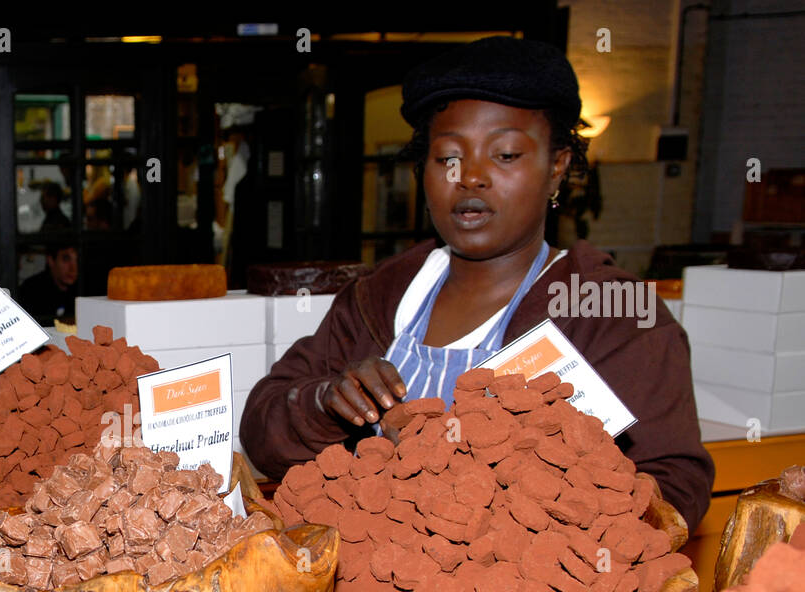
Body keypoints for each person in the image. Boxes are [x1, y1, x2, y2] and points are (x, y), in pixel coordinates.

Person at [241, 37, 714, 531]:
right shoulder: (377, 300)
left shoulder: (613, 315)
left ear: (557, 167)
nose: (471, 177)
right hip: (369, 591)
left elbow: (675, 486)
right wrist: (324, 403)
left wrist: (538, 516)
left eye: (506, 155)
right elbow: (261, 431)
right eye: (448, 157)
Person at [18, 242, 78, 326]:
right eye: (66, 259)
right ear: (51, 260)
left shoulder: (82, 288)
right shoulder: (31, 290)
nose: (73, 268)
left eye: (77, 260)